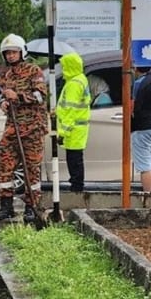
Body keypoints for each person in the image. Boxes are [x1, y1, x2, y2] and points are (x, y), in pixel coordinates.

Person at [0, 33, 49, 223]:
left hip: (32, 128)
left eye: (14, 52)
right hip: (12, 127)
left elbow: (41, 96)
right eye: (7, 53)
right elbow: (4, 97)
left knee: (31, 169)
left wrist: (18, 96)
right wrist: (4, 103)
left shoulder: (34, 71)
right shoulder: (7, 75)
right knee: (4, 165)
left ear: (22, 52)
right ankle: (6, 206)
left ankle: (31, 207)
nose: (10, 56)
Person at [56, 52, 91, 193]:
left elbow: (70, 109)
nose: (62, 68)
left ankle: (76, 187)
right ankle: (76, 184)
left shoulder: (74, 84)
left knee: (74, 159)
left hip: (73, 128)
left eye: (64, 65)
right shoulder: (80, 79)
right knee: (75, 158)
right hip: (78, 127)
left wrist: (63, 132)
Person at [130, 66, 151, 193]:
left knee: (145, 167)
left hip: (142, 128)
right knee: (150, 165)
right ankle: (149, 194)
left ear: (136, 69)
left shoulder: (139, 83)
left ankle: (147, 198)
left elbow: (132, 105)